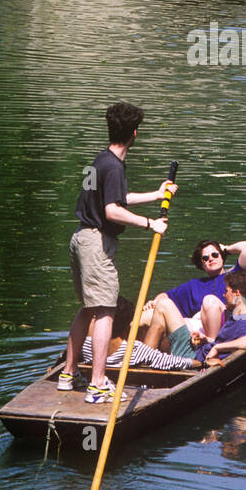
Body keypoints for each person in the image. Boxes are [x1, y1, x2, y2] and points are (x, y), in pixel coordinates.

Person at [59, 101, 176, 404]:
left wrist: (157, 193)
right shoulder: (113, 166)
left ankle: (67, 374)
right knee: (105, 312)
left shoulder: (102, 161)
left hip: (81, 238)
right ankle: (98, 385)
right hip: (96, 242)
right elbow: (112, 211)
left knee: (88, 308)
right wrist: (150, 223)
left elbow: (118, 197)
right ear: (134, 133)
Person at [141, 237, 246, 357]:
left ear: (222, 256)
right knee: (148, 314)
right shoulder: (194, 285)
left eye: (215, 255)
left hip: (224, 322)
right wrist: (154, 302)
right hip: (196, 326)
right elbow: (165, 296)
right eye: (205, 258)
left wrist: (225, 249)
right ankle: (143, 354)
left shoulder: (235, 277)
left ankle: (210, 350)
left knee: (209, 301)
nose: (210, 259)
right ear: (202, 264)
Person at [192, 269, 246, 367]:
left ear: (237, 294)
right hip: (200, 351)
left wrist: (217, 347)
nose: (224, 295)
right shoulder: (243, 316)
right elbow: (229, 341)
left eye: (226, 291)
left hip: (195, 358)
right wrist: (207, 340)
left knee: (166, 305)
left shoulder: (245, 322)